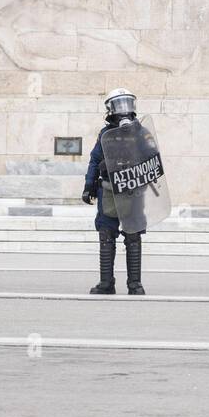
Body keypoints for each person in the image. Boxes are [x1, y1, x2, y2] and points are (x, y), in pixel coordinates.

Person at [83, 88, 167, 295]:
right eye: (118, 105)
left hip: (133, 189)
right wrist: (89, 185)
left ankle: (134, 284)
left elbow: (152, 156)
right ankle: (106, 282)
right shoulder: (105, 134)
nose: (123, 109)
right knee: (106, 234)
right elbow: (94, 160)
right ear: (110, 108)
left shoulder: (140, 131)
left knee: (134, 234)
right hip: (109, 190)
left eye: (126, 104)